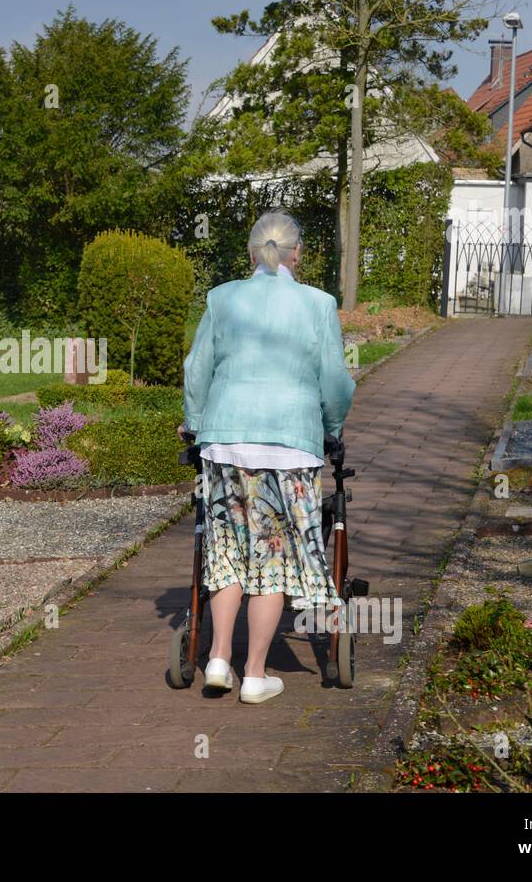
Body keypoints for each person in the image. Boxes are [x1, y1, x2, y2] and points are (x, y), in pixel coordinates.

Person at [179, 210, 355, 703]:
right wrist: (332, 429)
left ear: (251, 253)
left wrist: (194, 425)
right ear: (295, 254)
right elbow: (335, 382)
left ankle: (217, 659)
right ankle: (254, 673)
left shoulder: (222, 298)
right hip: (289, 445)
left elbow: (197, 371)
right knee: (272, 559)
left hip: (225, 441)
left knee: (229, 551)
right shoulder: (318, 304)